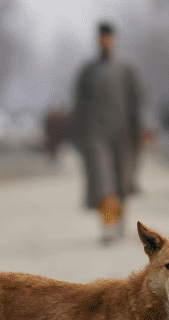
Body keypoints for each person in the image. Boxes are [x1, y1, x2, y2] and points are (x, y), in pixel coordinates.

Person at [69, 21, 145, 245]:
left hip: (123, 135)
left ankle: (120, 217)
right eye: (102, 38)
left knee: (122, 182)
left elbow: (138, 103)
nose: (105, 42)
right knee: (103, 182)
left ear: (114, 40)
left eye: (109, 38)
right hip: (95, 135)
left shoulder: (126, 70)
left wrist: (142, 129)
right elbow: (78, 106)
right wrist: (76, 135)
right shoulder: (87, 71)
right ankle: (108, 225)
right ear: (98, 40)